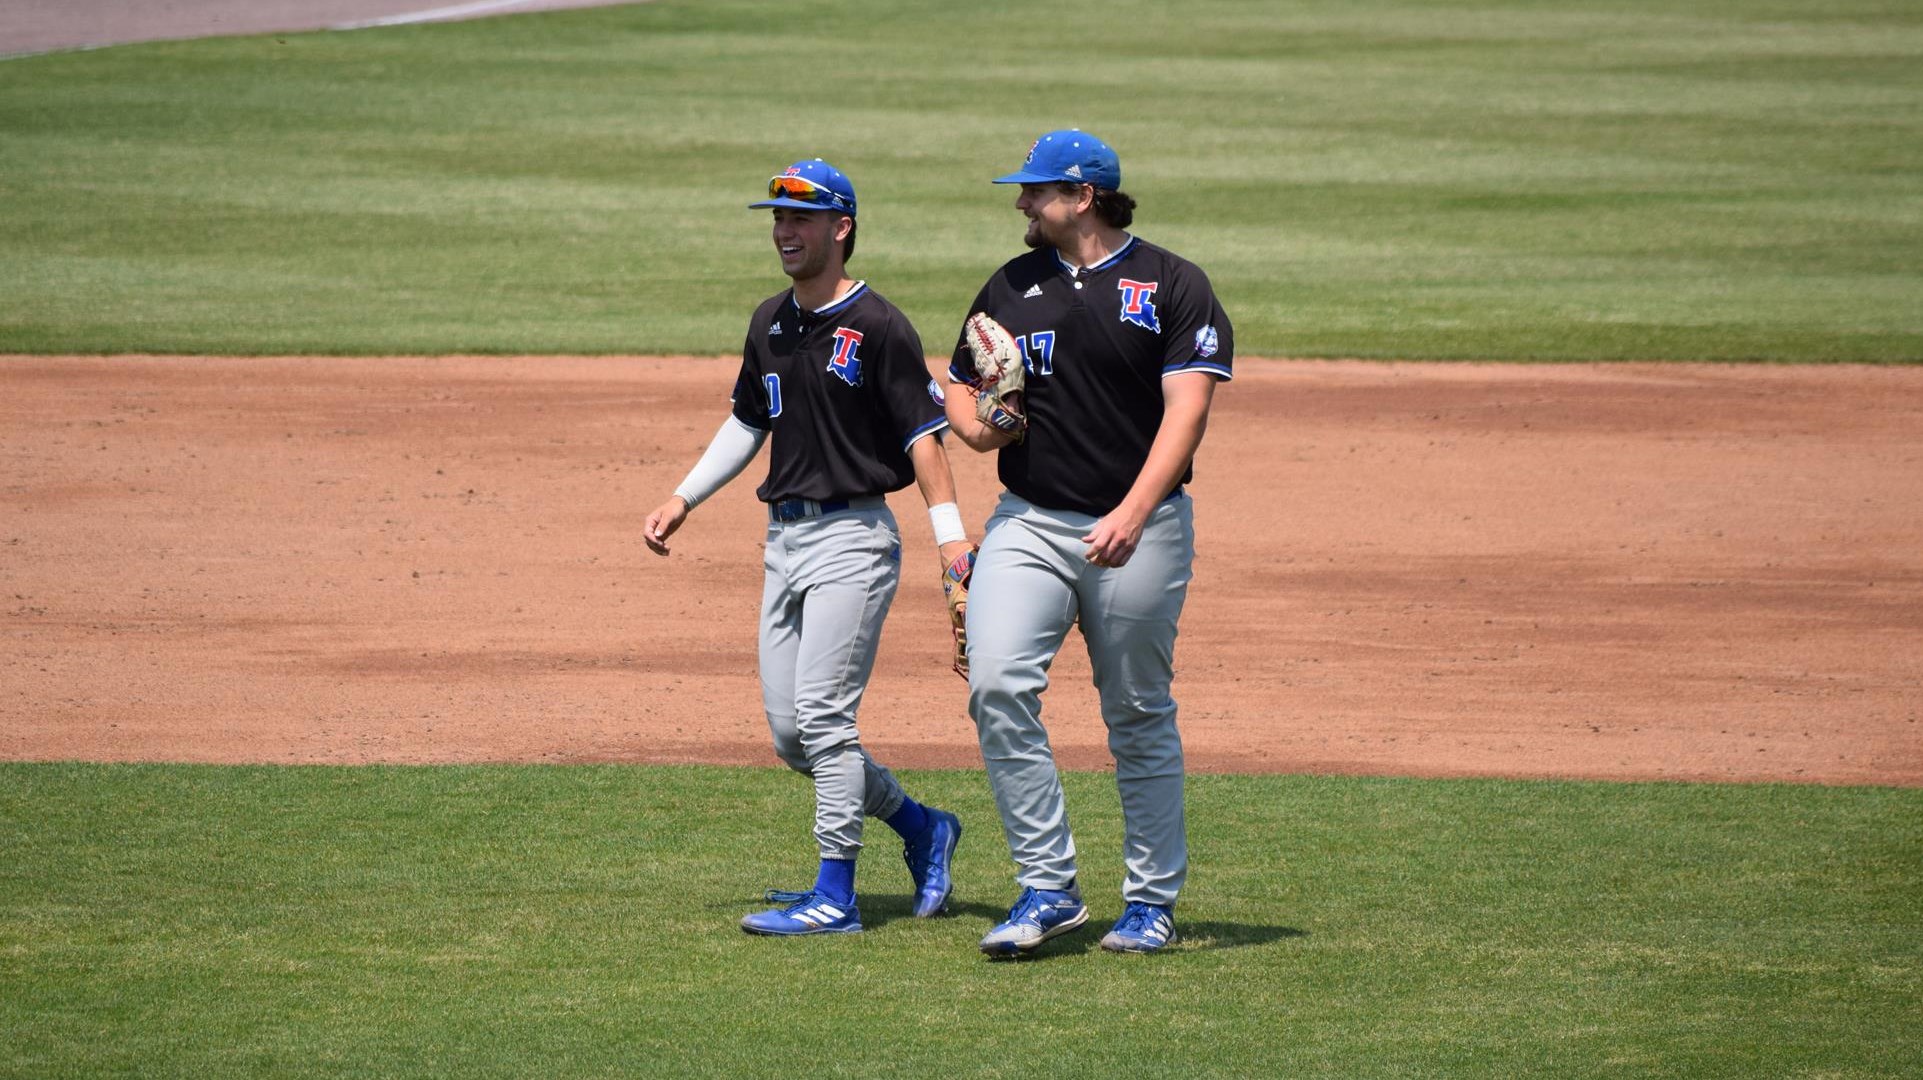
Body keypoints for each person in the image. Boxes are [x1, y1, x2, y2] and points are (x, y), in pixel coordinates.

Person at [644, 158, 971, 936]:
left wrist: (951, 544)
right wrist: (683, 494)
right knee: (794, 738)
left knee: (823, 718)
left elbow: (925, 439)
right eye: (777, 219)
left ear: (840, 227)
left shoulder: (880, 326)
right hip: (783, 544)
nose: (784, 232)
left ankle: (835, 896)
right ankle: (923, 827)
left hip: (853, 540)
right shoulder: (770, 321)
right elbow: (748, 421)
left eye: (800, 219)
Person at [943, 130, 1233, 956]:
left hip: (1141, 529)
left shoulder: (1171, 283)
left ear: (1083, 197)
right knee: (995, 684)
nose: (1021, 203)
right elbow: (961, 380)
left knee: (1136, 714)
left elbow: (1188, 411)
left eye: (1036, 192)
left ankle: (1149, 903)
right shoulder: (1011, 281)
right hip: (1028, 522)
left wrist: (1134, 512)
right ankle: (1047, 885)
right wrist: (978, 429)